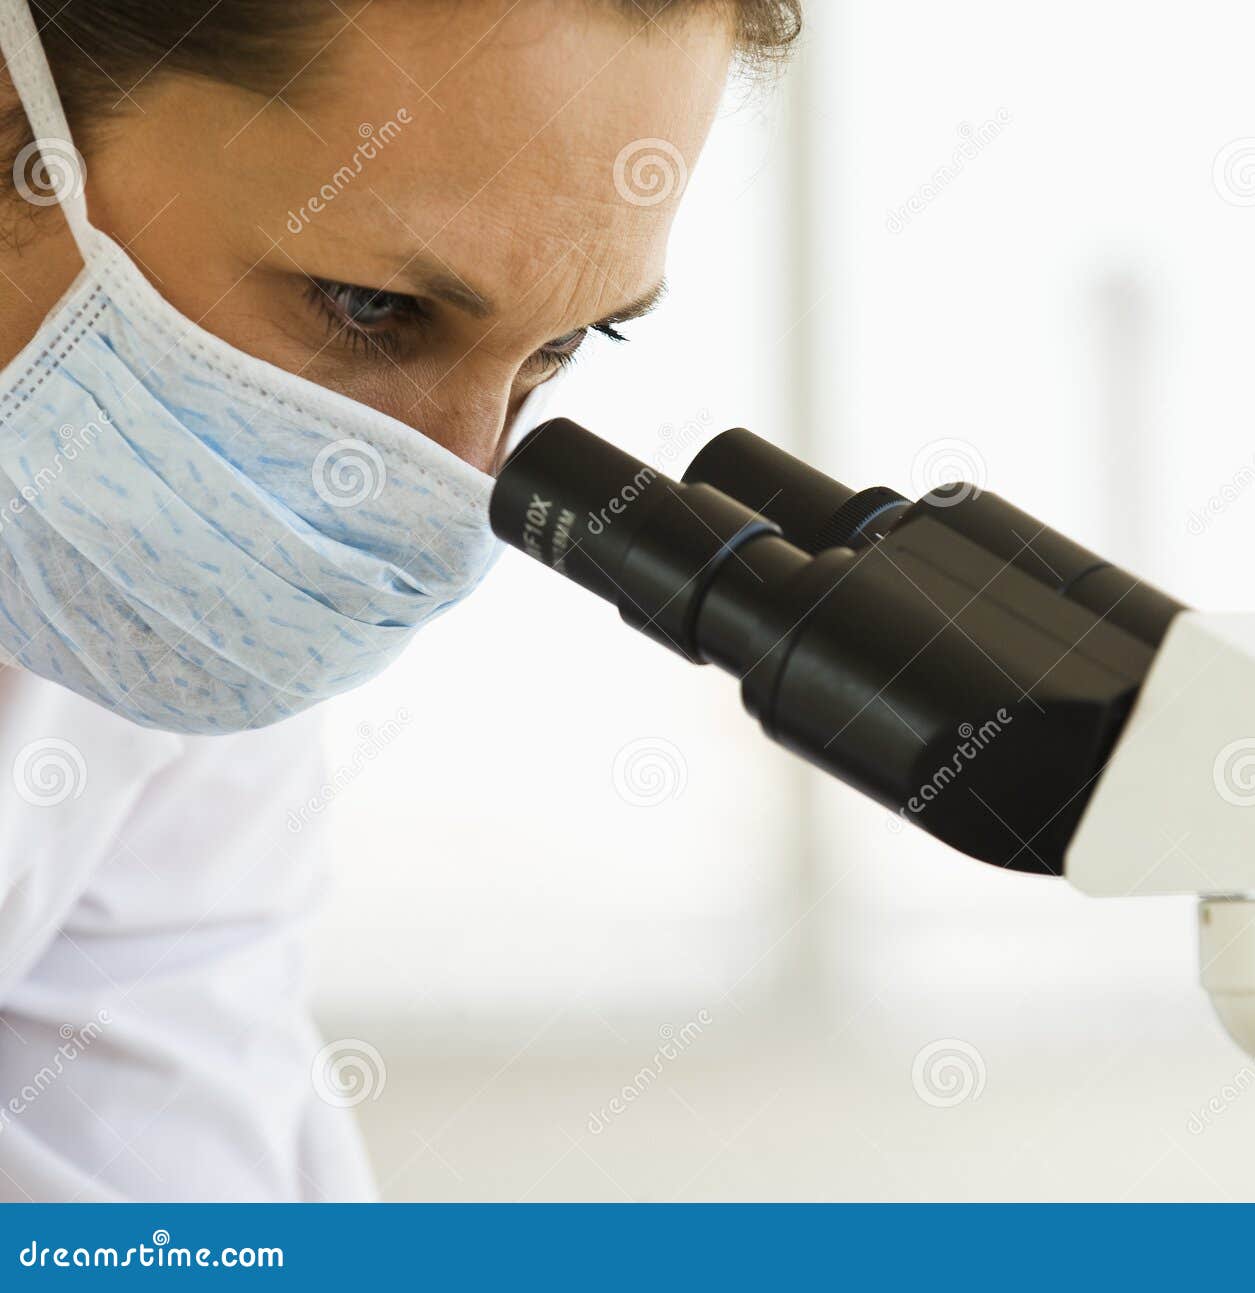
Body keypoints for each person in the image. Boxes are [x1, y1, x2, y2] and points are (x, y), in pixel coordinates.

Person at [0, 0, 798, 1201]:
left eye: (563, 348)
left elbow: (166, 1205)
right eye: (371, 310)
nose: (454, 489)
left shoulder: (120, 598)